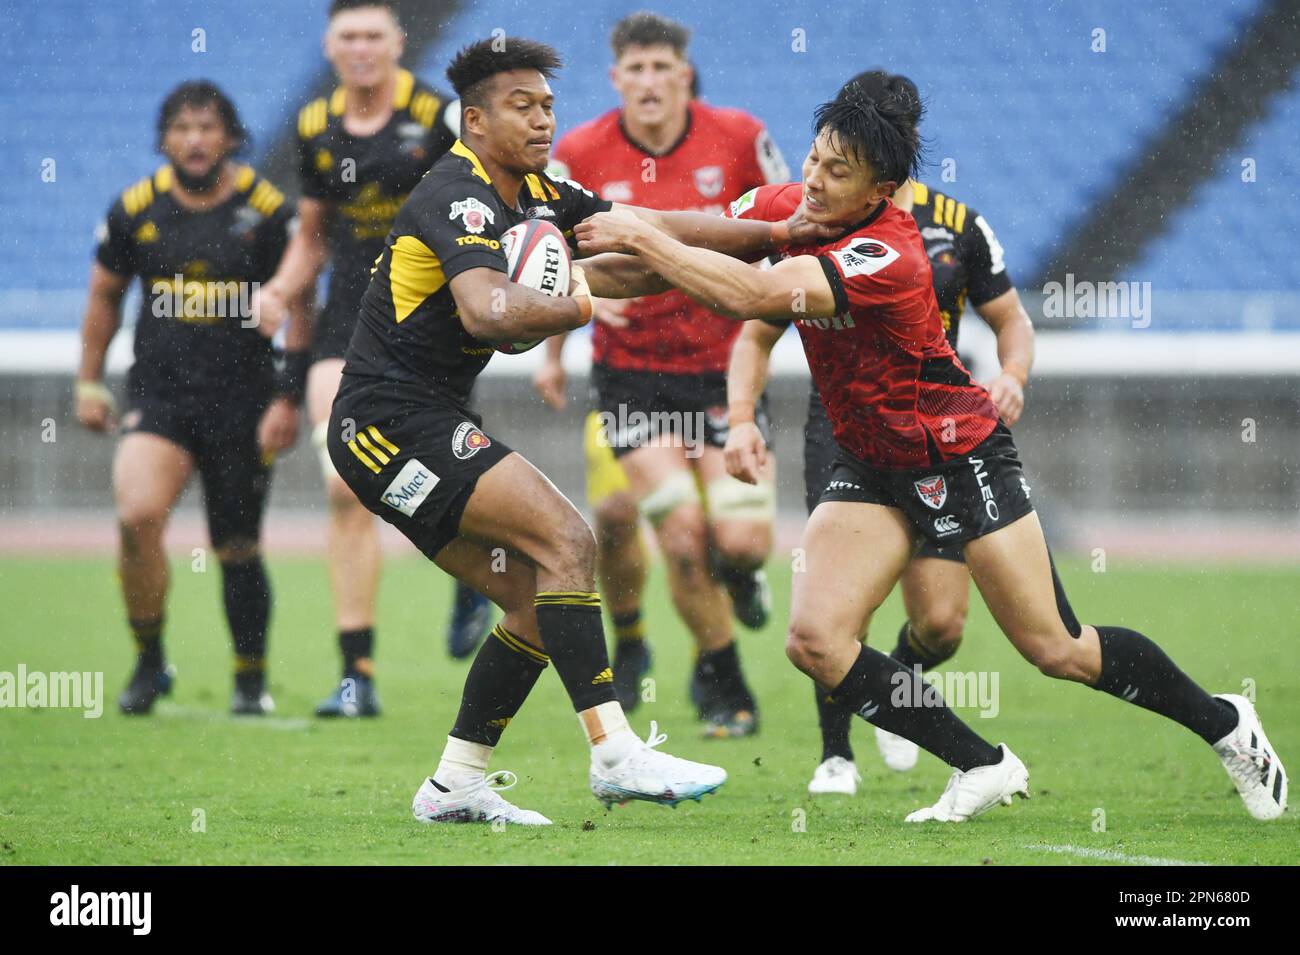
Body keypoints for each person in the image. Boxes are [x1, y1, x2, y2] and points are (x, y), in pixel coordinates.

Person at [573, 86, 1288, 823]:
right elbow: (677, 240)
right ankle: (982, 763)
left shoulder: (890, 252)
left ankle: (1225, 722)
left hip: (958, 457)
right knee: (816, 640)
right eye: (815, 157)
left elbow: (752, 293)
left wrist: (645, 237)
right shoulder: (798, 204)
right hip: (867, 461)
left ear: (883, 189)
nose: (814, 178)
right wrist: (568, 269)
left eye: (837, 170)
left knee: (1058, 648)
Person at [312, 37, 764, 823]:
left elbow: (645, 237)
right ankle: (616, 751)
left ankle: (454, 784)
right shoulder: (456, 195)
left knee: (534, 602)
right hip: (384, 425)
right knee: (571, 540)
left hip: (423, 421)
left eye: (549, 106)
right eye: (523, 107)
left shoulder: (539, 193)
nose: (543, 120)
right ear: (475, 119)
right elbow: (492, 311)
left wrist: (766, 233)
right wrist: (587, 301)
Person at [536, 12, 789, 736]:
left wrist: (778, 310)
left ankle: (741, 576)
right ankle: (726, 685)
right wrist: (560, 341)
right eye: (634, 70)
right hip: (632, 380)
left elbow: (790, 223)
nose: (648, 82)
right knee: (678, 533)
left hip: (723, 372)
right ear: (616, 80)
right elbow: (546, 253)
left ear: (685, 74)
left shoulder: (741, 138)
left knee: (737, 542)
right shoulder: (579, 149)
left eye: (661, 68)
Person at [801, 71, 1035, 794]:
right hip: (845, 426)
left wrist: (1013, 375)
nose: (821, 170)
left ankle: (897, 698)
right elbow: (754, 323)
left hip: (935, 432)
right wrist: (743, 415)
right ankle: (834, 754)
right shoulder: (814, 216)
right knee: (836, 610)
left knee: (940, 622)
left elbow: (1011, 320)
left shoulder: (952, 226)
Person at [252, 1, 482, 719]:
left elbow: (479, 210)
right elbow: (312, 236)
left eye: (371, 36)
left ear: (396, 43)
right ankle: (357, 673)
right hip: (347, 323)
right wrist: (283, 289)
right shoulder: (315, 126)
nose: (359, 48)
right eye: (346, 36)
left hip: (430, 323)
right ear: (330, 44)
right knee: (345, 487)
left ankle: (473, 569)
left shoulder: (439, 117)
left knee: (451, 481)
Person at [76, 81, 303, 716]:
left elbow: (302, 300)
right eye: (181, 128)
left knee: (236, 546)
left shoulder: (267, 209)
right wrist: (89, 381)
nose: (195, 139)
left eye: (208, 127)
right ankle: (151, 662)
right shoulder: (135, 208)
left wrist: (289, 396)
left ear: (231, 137)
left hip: (244, 401)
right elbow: (103, 296)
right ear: (164, 139)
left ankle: (249, 680)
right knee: (137, 515)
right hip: (162, 397)